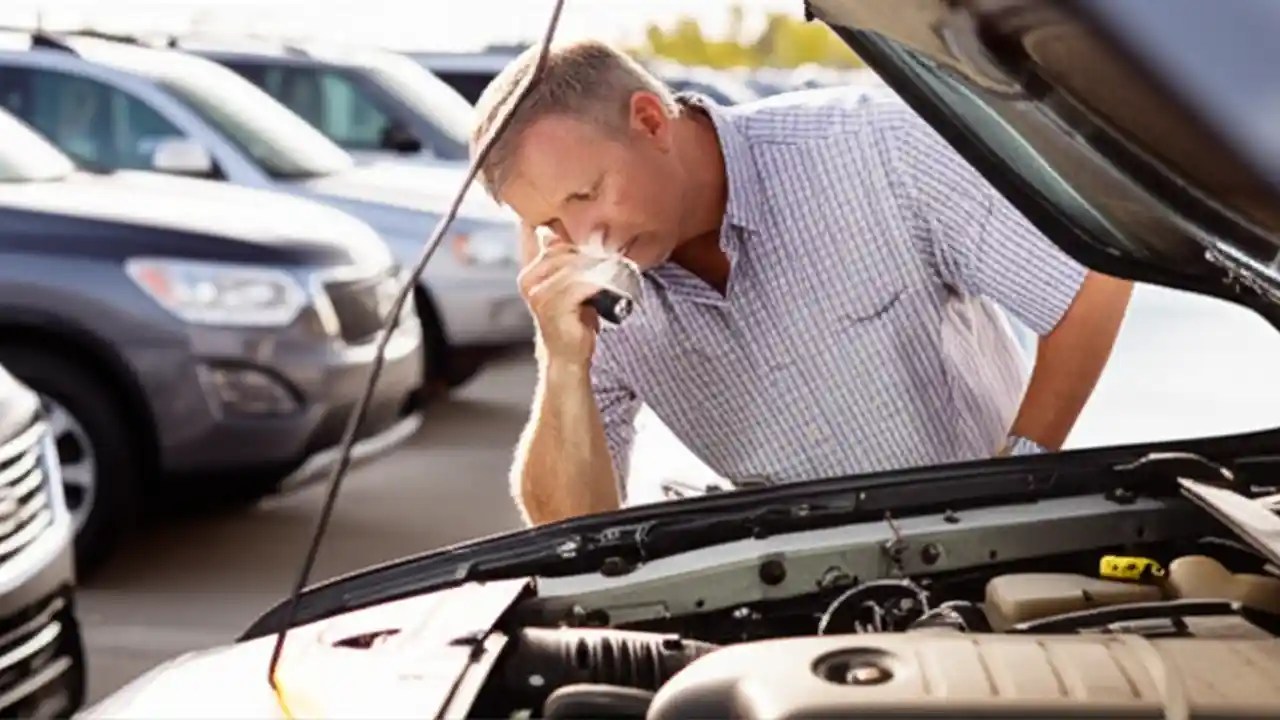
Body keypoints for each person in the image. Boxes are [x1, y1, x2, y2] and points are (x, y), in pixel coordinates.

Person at [468, 40, 1133, 526]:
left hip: (974, 543)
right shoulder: (587, 290)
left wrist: (1020, 468)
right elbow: (567, 531)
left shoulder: (876, 149)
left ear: (649, 120)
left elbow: (1088, 286)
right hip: (803, 588)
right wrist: (561, 363)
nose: (582, 239)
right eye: (549, 221)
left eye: (586, 194)